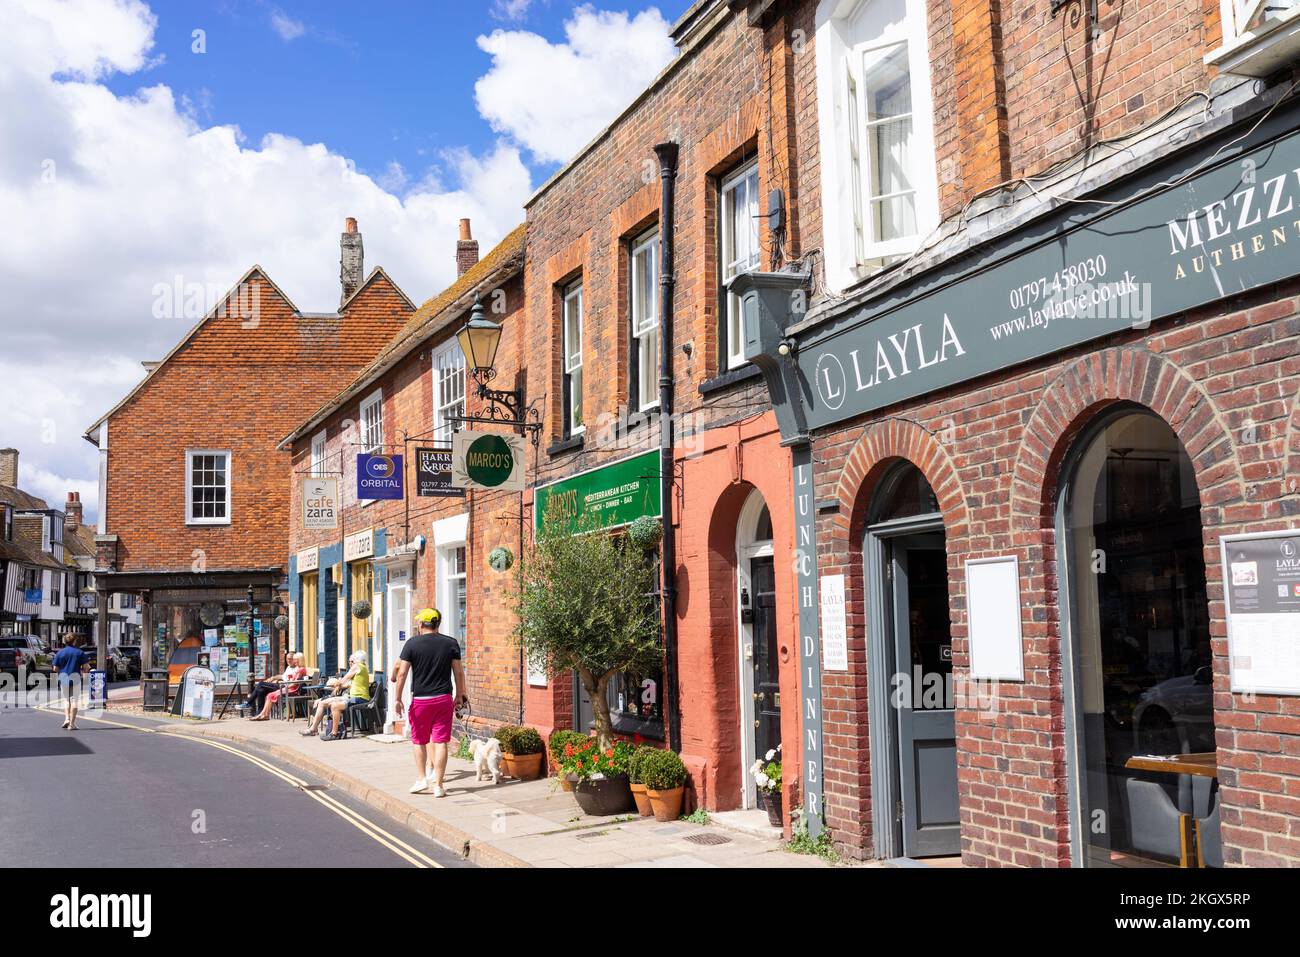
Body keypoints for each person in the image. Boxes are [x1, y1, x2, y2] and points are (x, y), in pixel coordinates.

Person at [392, 608, 467, 797]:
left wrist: (397, 698)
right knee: (441, 741)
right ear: (437, 624)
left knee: (419, 740)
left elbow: (401, 672)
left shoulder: (412, 644)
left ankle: (422, 779)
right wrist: (460, 694)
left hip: (421, 700)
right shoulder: (451, 643)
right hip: (443, 699)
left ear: (420, 624)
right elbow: (458, 672)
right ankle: (439, 786)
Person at [299, 650, 370, 740]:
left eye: (353, 660)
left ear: (356, 659)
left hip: (359, 698)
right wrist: (339, 685)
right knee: (322, 703)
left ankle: (334, 733)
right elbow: (347, 683)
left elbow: (343, 680)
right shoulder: (363, 668)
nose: (351, 662)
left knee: (335, 706)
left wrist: (334, 683)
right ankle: (313, 729)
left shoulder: (357, 666)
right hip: (353, 697)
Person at [241, 652, 306, 718]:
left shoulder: (297, 669)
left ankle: (248, 703)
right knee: (261, 690)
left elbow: (293, 682)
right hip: (283, 685)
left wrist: (279, 681)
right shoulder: (289, 667)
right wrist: (273, 678)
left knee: (261, 684)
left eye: (290, 659)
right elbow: (283, 677)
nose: (288, 660)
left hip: (284, 687)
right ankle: (260, 713)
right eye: (287, 659)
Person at [51, 635, 90, 731]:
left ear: (64, 641)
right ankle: (72, 724)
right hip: (75, 678)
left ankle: (66, 719)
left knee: (66, 700)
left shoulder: (60, 653)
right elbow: (86, 667)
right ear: (74, 641)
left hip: (63, 678)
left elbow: (55, 669)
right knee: (74, 700)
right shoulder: (79, 653)